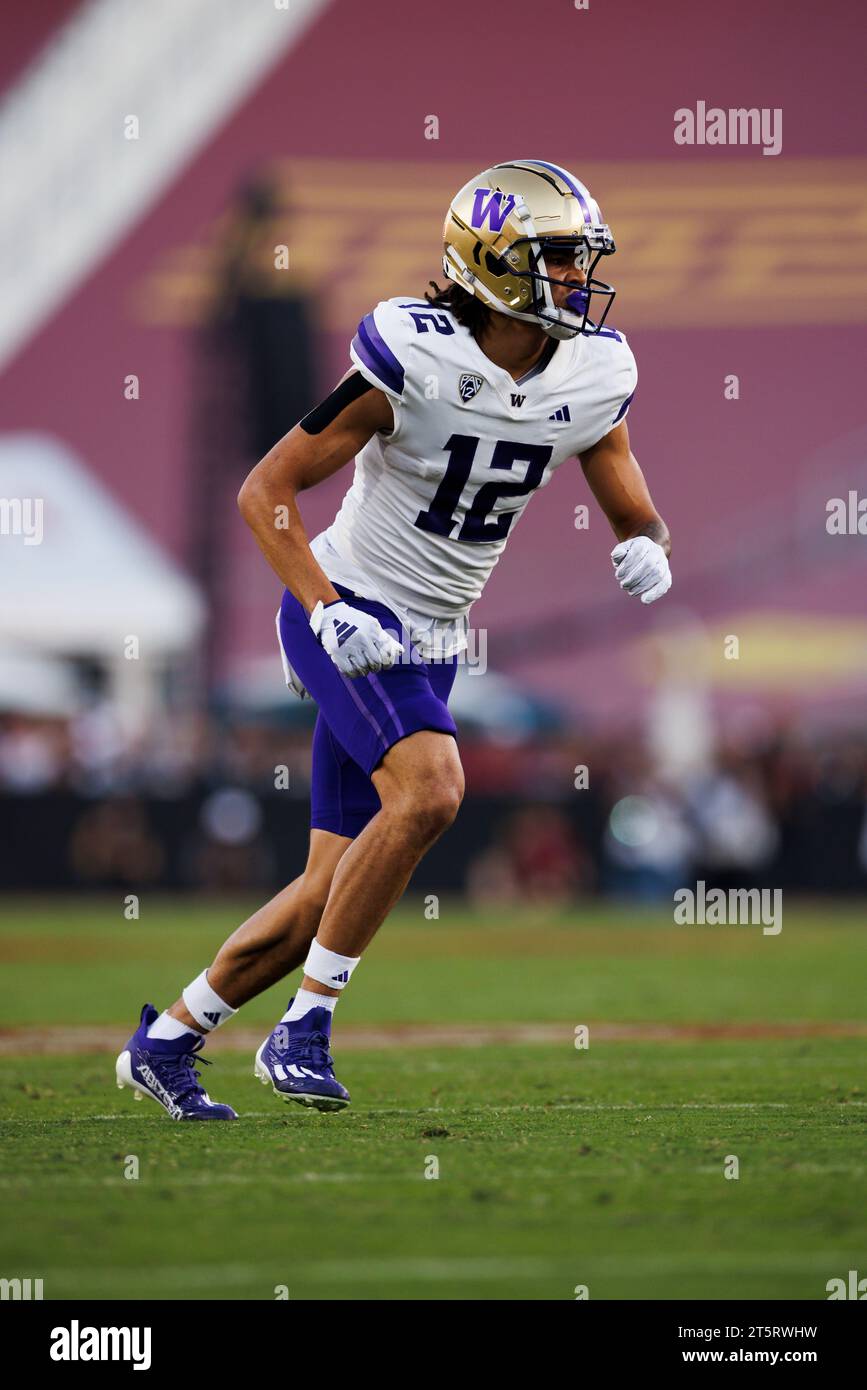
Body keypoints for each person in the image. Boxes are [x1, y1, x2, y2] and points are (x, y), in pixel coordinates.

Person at [116, 160, 672, 1120]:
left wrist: (645, 543)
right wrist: (324, 606)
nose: (578, 278)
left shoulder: (594, 370)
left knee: (329, 888)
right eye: (556, 258)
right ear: (492, 263)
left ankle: (167, 1040)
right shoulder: (410, 354)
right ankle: (305, 1028)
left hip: (434, 638)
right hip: (349, 608)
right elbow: (265, 490)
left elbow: (621, 480)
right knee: (434, 791)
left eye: (583, 259)